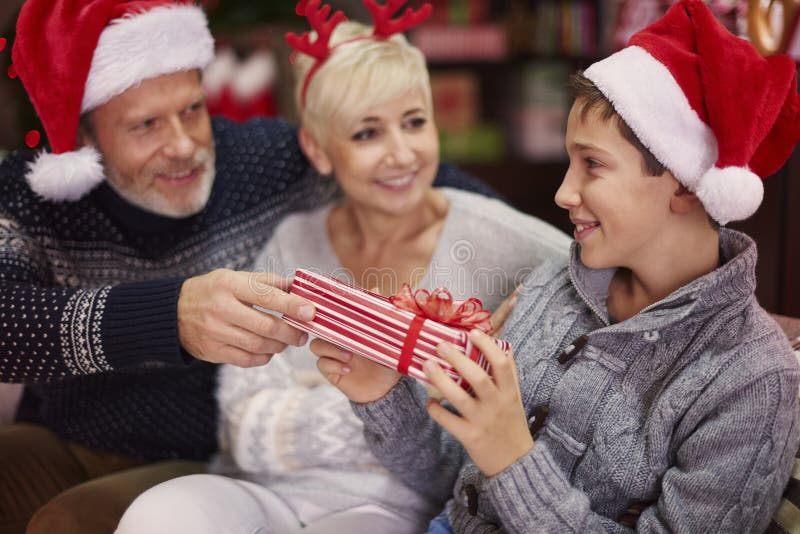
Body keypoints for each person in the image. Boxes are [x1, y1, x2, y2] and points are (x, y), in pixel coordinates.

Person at [0, 1, 494, 533]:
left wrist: (553, 268)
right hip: (63, 435)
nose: (184, 145)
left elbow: (413, 171)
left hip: (202, 455)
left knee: (67, 521)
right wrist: (169, 317)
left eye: (191, 109)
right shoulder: (32, 195)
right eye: (145, 125)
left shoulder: (264, 163)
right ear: (81, 137)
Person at [313, 1, 800, 532]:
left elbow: (504, 463)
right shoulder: (551, 285)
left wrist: (513, 460)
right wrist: (383, 395)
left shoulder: (754, 379)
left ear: (682, 182)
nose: (564, 192)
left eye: (592, 164)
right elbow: (456, 480)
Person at [114, 2, 571, 532]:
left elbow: (487, 439)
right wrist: (392, 402)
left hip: (394, 509)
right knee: (160, 512)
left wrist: (311, 400)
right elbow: (243, 425)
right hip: (268, 494)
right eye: (366, 134)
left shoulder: (509, 245)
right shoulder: (295, 238)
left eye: (415, 122)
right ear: (319, 149)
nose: (401, 154)